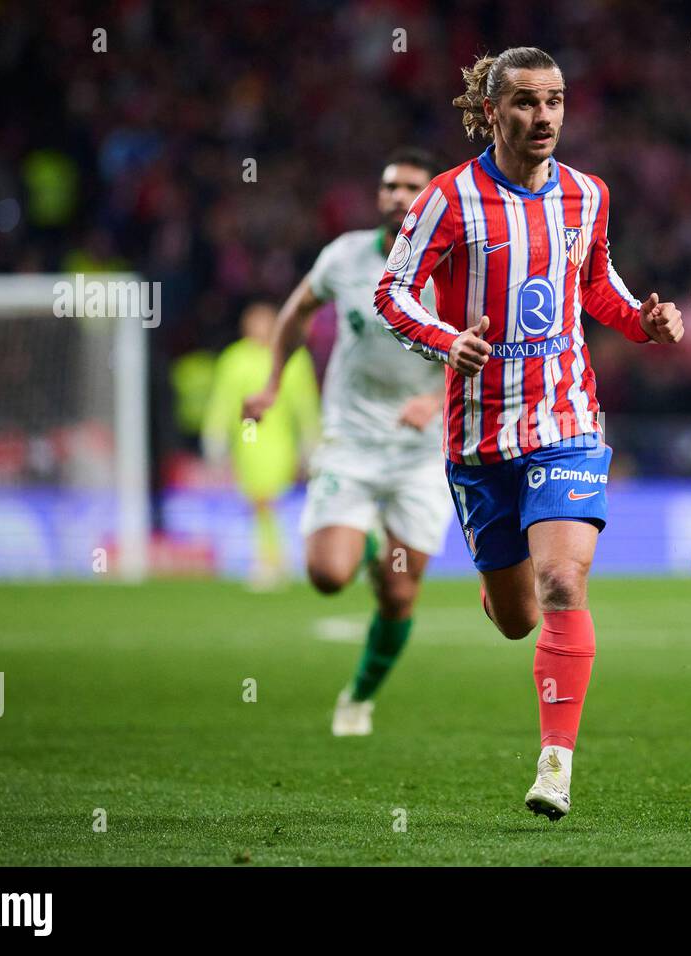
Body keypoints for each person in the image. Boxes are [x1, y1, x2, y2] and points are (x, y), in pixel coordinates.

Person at [374, 48, 683, 819]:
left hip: (565, 421)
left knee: (562, 584)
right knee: (517, 617)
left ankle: (555, 766)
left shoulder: (587, 195)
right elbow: (392, 292)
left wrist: (643, 324)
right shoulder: (449, 200)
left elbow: (597, 285)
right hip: (479, 438)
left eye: (554, 101)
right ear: (490, 111)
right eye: (524, 103)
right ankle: (499, 589)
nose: (543, 116)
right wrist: (449, 342)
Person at [244, 149, 450, 736]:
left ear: (430, 198)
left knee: (398, 593)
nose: (398, 196)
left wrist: (436, 399)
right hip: (352, 439)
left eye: (412, 186)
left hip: (421, 450)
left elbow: (484, 347)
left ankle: (359, 694)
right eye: (390, 185)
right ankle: (362, 541)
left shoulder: (456, 267)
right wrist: (272, 383)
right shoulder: (345, 255)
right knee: (329, 575)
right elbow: (297, 311)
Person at [203, 301, 319, 590]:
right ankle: (274, 558)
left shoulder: (291, 357)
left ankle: (270, 561)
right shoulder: (234, 359)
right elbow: (223, 401)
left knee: (265, 499)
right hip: (248, 440)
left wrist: (311, 439)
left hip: (279, 440)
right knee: (259, 502)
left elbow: (304, 403)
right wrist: (215, 436)